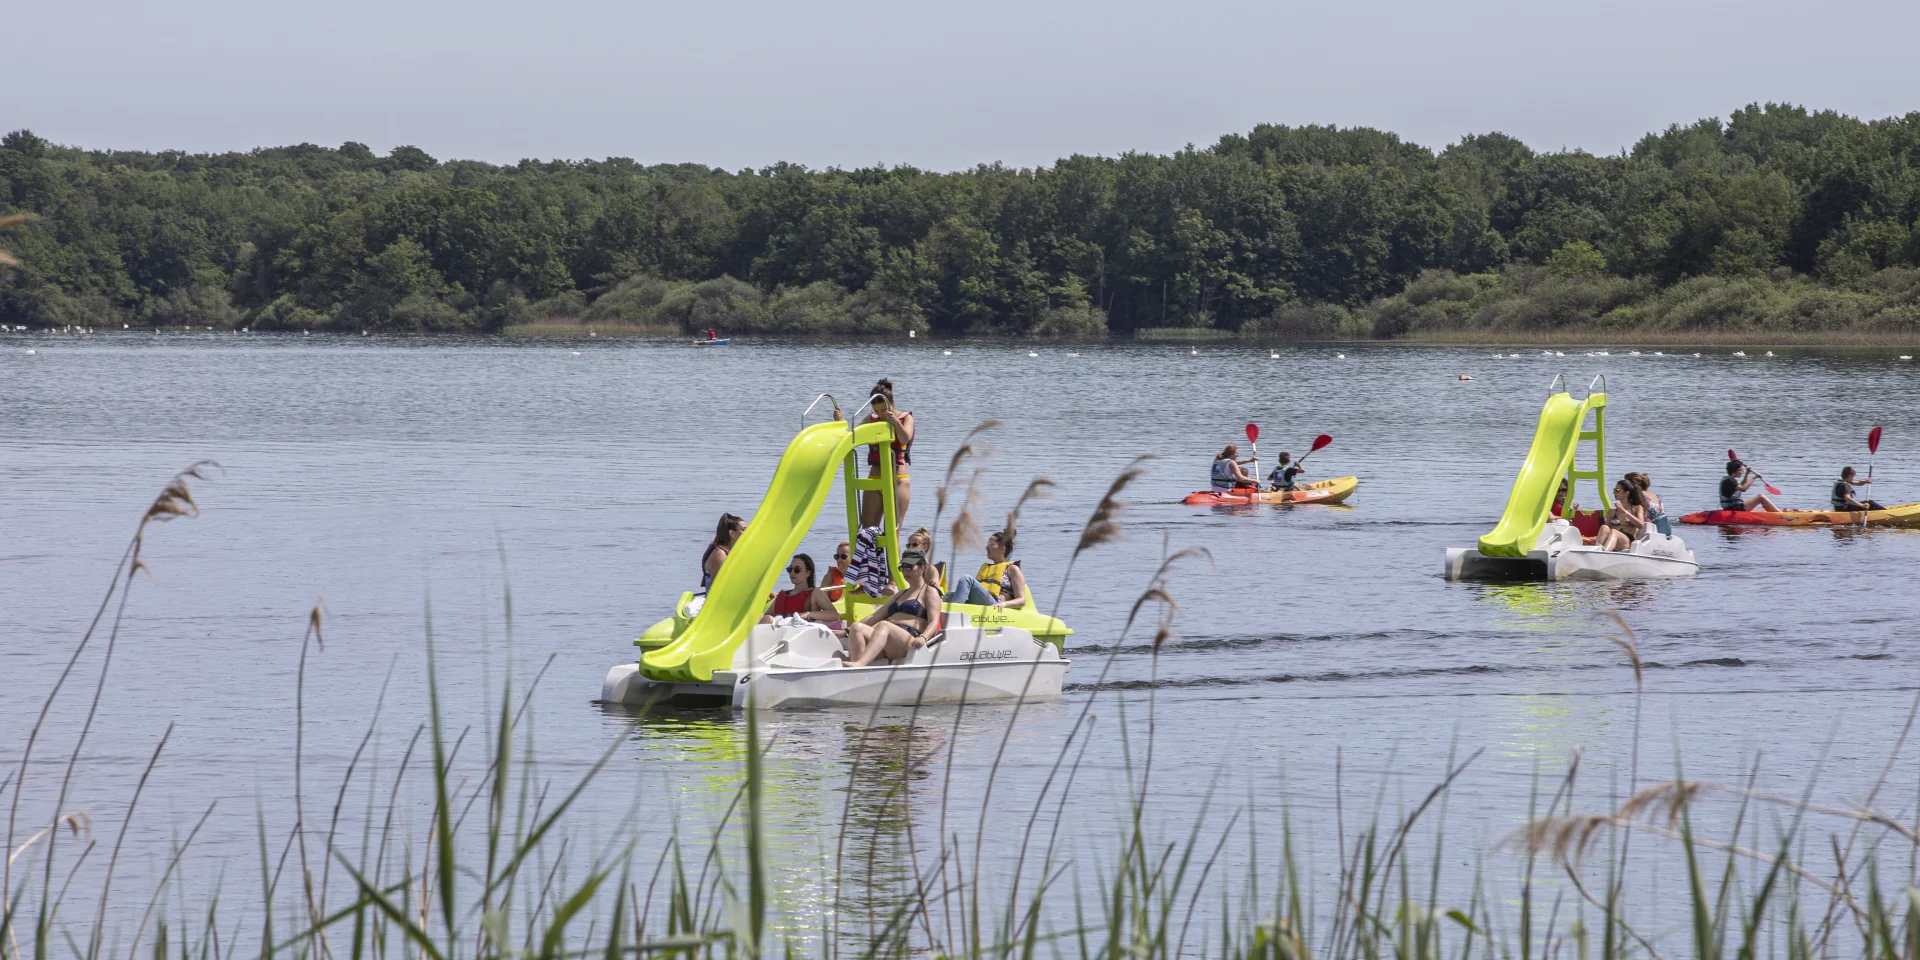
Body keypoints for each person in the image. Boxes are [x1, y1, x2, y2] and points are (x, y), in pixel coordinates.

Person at [844, 548, 942, 667]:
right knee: (856, 627)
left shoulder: (930, 591)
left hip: (910, 640)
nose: (905, 571)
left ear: (921, 567)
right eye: (902, 567)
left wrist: (924, 637)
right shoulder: (900, 594)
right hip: (887, 639)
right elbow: (875, 616)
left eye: (909, 567)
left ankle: (861, 663)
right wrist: (845, 631)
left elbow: (933, 621)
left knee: (884, 625)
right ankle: (855, 671)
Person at [860, 378, 915, 527]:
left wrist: (895, 422)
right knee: (867, 530)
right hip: (875, 477)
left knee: (893, 530)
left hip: (898, 479)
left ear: (892, 402)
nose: (881, 414)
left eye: (884, 410)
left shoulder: (906, 418)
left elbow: (904, 438)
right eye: (876, 411)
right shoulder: (871, 419)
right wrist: (839, 420)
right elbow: (853, 435)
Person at [760, 553, 841, 625]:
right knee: (767, 618)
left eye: (797, 570)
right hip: (780, 631)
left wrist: (809, 614)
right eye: (790, 569)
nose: (792, 573)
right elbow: (766, 615)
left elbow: (834, 615)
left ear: (808, 573)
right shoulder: (783, 594)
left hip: (801, 633)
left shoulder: (814, 593)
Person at [1596, 480, 1646, 552]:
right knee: (1604, 527)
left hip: (1627, 541)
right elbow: (1606, 530)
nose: (1614, 492)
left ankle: (1604, 553)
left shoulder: (1637, 508)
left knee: (1614, 532)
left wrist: (1625, 512)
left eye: (1617, 490)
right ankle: (1596, 550)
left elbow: (1641, 525)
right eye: (1614, 490)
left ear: (1626, 493)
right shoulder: (1611, 512)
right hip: (1612, 539)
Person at [701, 513, 744, 589]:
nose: (747, 533)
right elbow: (719, 587)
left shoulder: (732, 551)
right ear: (732, 533)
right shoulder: (719, 554)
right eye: (743, 530)